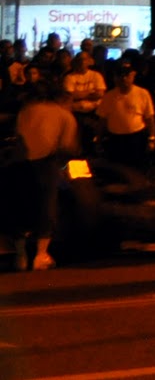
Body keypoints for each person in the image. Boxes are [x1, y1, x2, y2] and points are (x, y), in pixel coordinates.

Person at [14, 80, 80, 271]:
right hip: (46, 163)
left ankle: (21, 256)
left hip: (20, 163)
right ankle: (41, 255)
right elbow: (68, 147)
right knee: (47, 206)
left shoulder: (25, 111)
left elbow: (18, 135)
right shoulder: (63, 115)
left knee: (21, 206)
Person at [96, 61, 155, 175]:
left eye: (127, 75)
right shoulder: (109, 96)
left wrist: (152, 139)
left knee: (137, 170)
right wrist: (98, 140)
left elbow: (150, 118)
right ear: (115, 77)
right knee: (117, 170)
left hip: (136, 138)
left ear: (133, 75)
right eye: (120, 75)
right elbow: (102, 120)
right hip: (115, 140)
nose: (124, 78)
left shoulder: (142, 93)